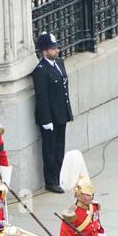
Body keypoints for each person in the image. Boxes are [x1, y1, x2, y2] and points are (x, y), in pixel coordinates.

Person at [31, 31, 72, 193]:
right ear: (44, 51)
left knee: (60, 148)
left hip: (61, 113)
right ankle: (51, 180)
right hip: (50, 117)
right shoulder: (41, 70)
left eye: (56, 48)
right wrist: (46, 120)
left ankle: (59, 176)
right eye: (52, 48)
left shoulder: (59, 63)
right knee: (50, 150)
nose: (56, 51)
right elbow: (42, 97)